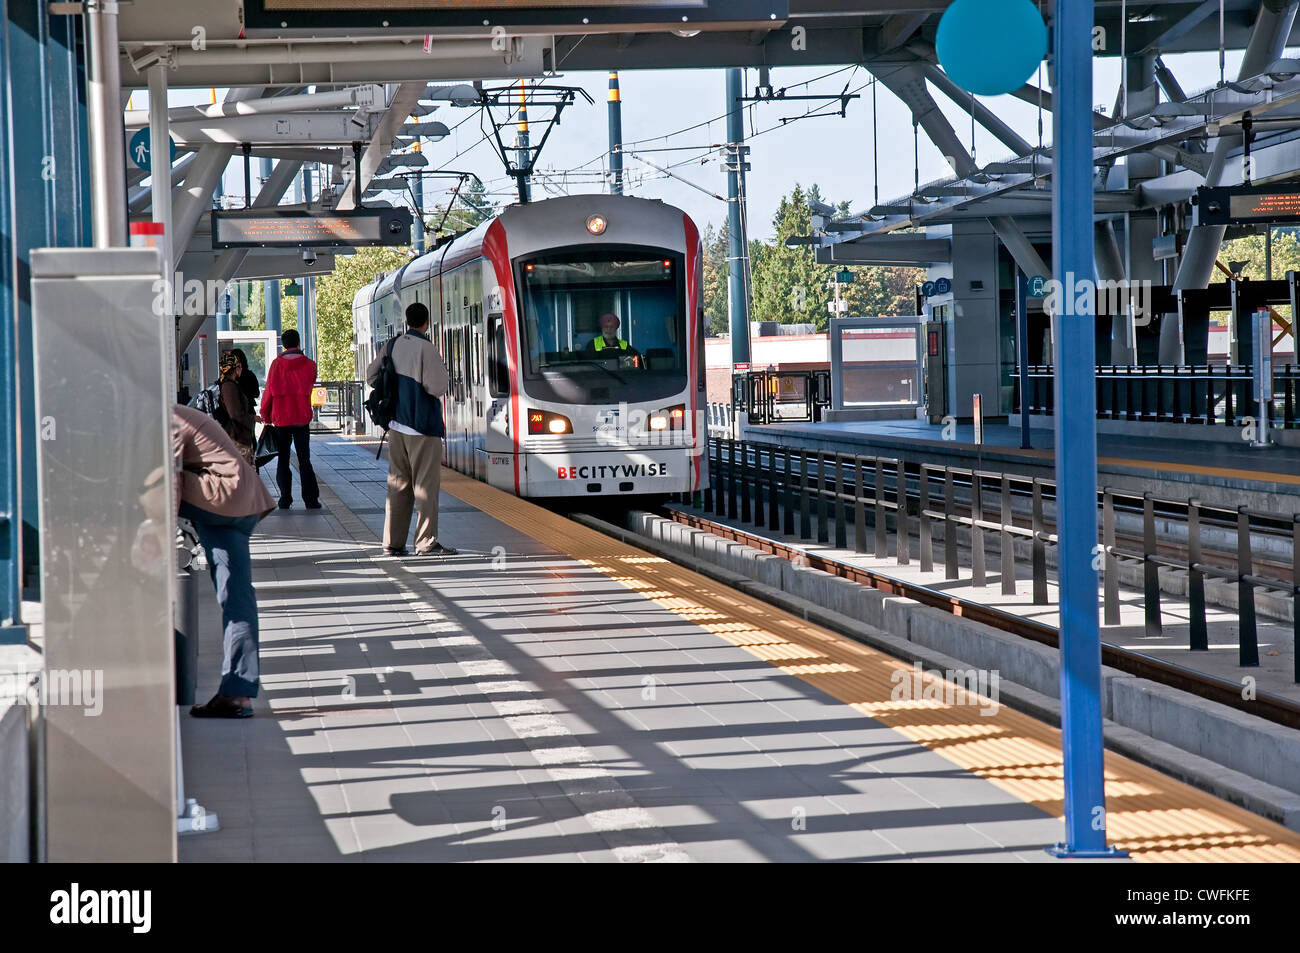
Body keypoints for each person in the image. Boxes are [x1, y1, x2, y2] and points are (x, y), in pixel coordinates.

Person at [174, 403, 276, 718]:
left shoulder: (164, 420)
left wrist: (159, 536)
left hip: (223, 502)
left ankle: (237, 691)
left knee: (235, 597)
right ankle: (238, 692)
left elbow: (169, 480)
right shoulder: (177, 413)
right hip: (241, 502)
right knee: (237, 597)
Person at [367, 302, 457, 556]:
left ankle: (393, 543)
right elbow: (437, 387)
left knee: (398, 485)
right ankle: (426, 542)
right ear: (426, 322)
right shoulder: (426, 348)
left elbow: (370, 375)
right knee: (425, 487)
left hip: (396, 427)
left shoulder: (393, 344)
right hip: (421, 428)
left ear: (407, 321)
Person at [260, 329, 321, 510]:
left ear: (283, 345)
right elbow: (310, 383)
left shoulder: (276, 365)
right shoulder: (310, 365)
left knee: (283, 459)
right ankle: (311, 500)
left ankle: (285, 498)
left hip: (281, 418)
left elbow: (269, 391)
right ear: (298, 343)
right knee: (304, 460)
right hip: (301, 417)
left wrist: (265, 414)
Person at [217, 352, 257, 467]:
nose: (241, 369)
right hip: (237, 439)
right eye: (239, 366)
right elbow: (235, 414)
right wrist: (252, 418)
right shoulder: (229, 386)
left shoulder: (228, 384)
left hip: (236, 437)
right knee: (243, 476)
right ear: (236, 368)